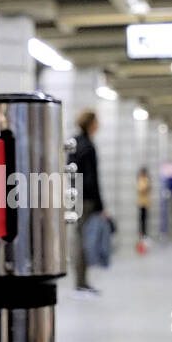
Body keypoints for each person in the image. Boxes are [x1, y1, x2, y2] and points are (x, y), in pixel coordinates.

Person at [68, 108, 104, 295]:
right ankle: (81, 283)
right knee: (83, 239)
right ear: (90, 124)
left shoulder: (74, 143)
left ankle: (81, 281)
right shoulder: (88, 145)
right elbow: (92, 178)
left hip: (76, 196)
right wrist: (100, 204)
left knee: (79, 237)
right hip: (87, 198)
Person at [136, 167, 152, 245]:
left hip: (145, 203)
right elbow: (141, 189)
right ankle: (141, 234)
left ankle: (144, 234)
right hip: (141, 203)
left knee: (144, 219)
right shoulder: (141, 180)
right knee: (142, 219)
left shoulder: (146, 179)